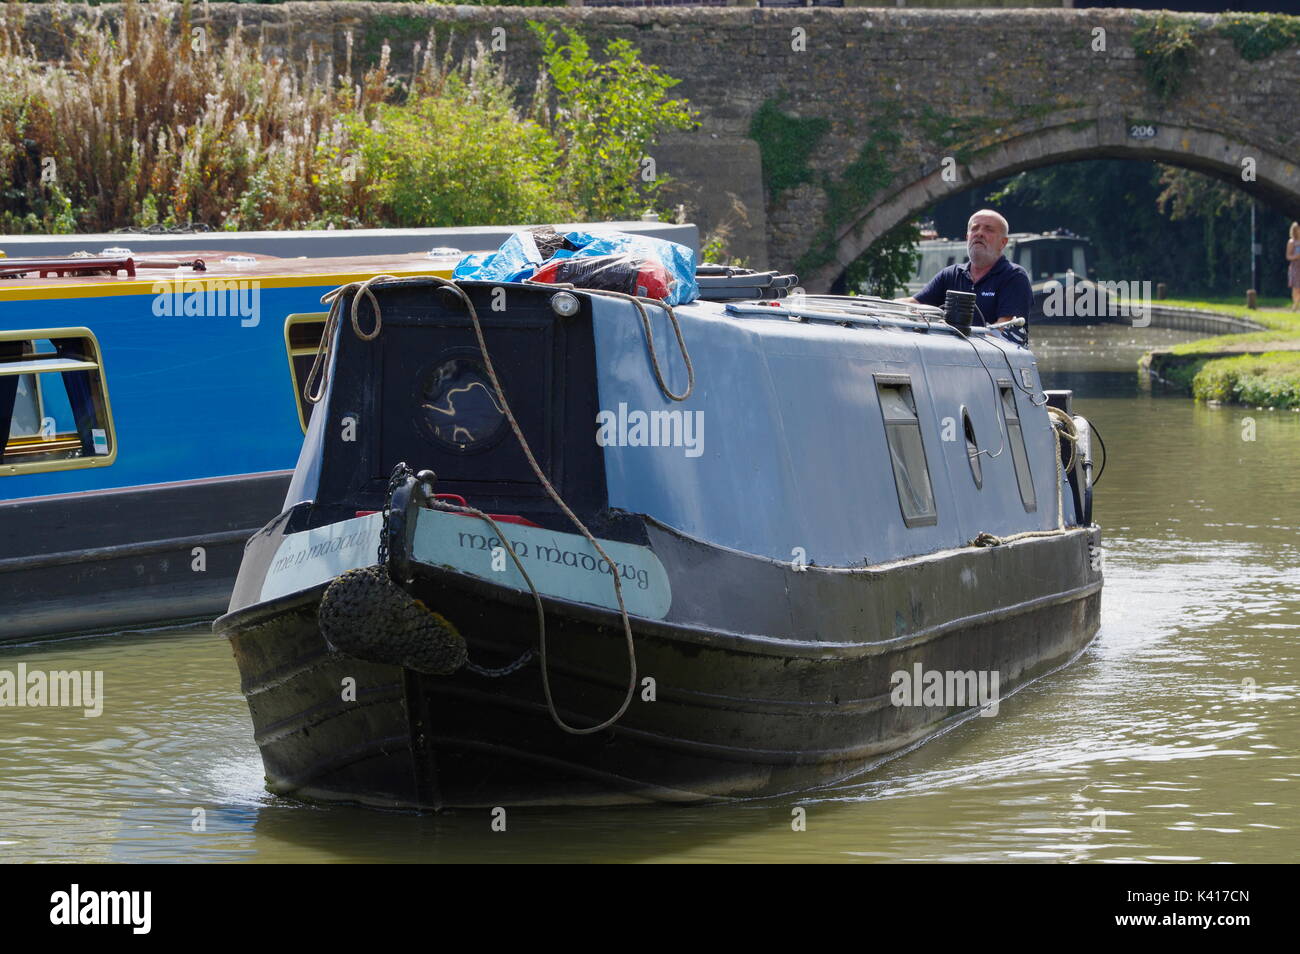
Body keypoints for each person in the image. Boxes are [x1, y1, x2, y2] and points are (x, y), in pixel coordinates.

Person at [899, 209, 1032, 343]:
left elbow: (1003, 329)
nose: (979, 233)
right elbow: (914, 304)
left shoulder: (1014, 276)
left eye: (989, 229)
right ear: (967, 237)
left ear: (1003, 242)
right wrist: (881, 306)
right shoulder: (951, 274)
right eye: (975, 229)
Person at [1287, 222, 1300, 311]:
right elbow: (1288, 256)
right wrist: (1296, 256)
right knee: (1296, 287)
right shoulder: (1292, 242)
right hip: (1295, 267)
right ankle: (1295, 305)